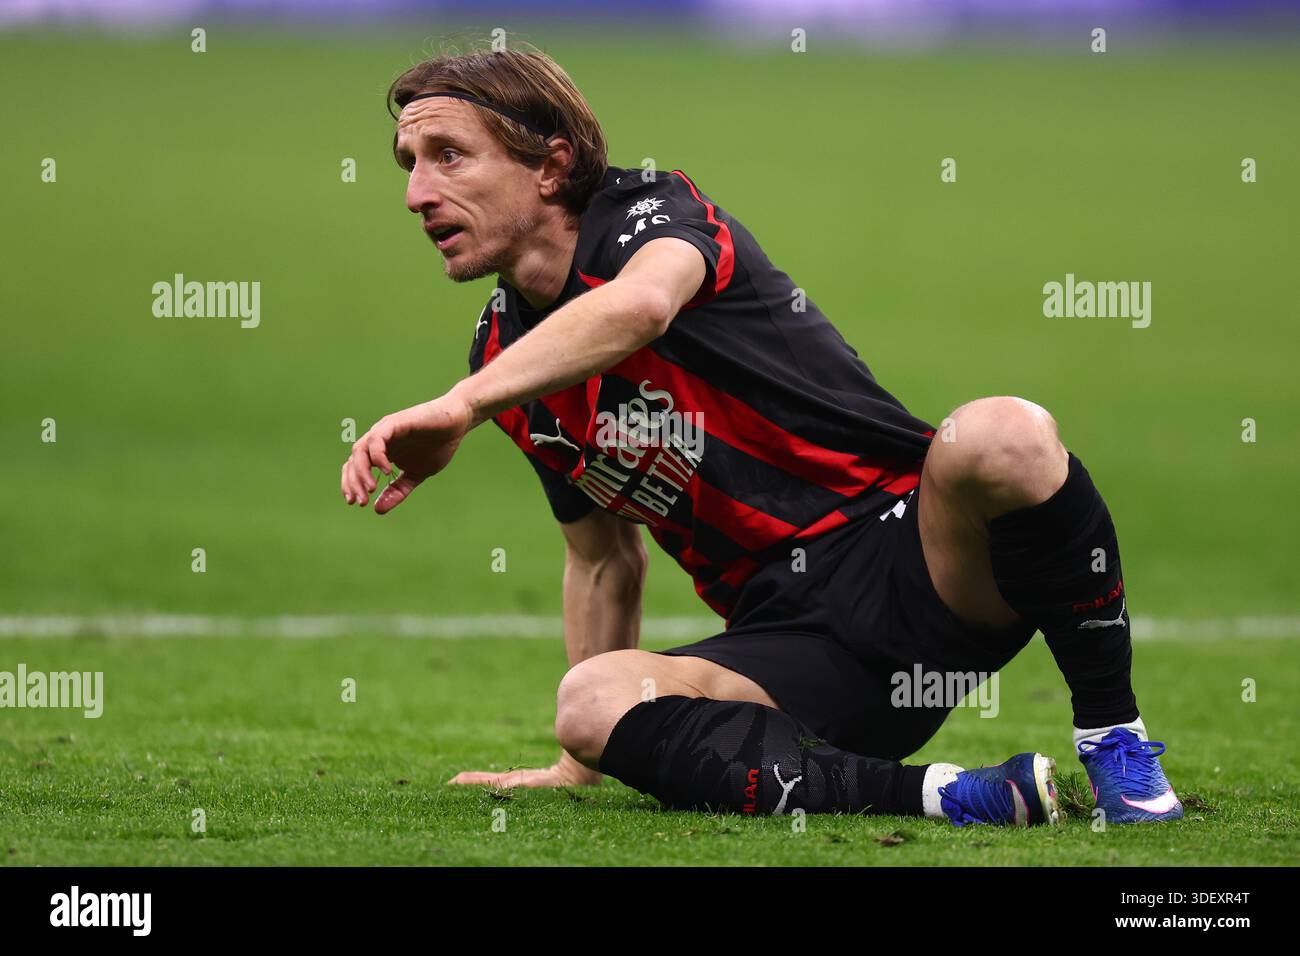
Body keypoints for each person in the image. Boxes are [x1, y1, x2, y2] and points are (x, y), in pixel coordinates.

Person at [339, 45, 1181, 826]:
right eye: (409, 165)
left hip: (921, 558)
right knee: (589, 701)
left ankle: (1115, 743)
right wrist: (578, 767)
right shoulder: (505, 360)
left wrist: (462, 405)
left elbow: (641, 307)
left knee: (1003, 433)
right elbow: (602, 558)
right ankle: (955, 795)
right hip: (796, 649)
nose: (417, 192)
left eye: (449, 155)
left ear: (551, 164)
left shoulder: (653, 210)